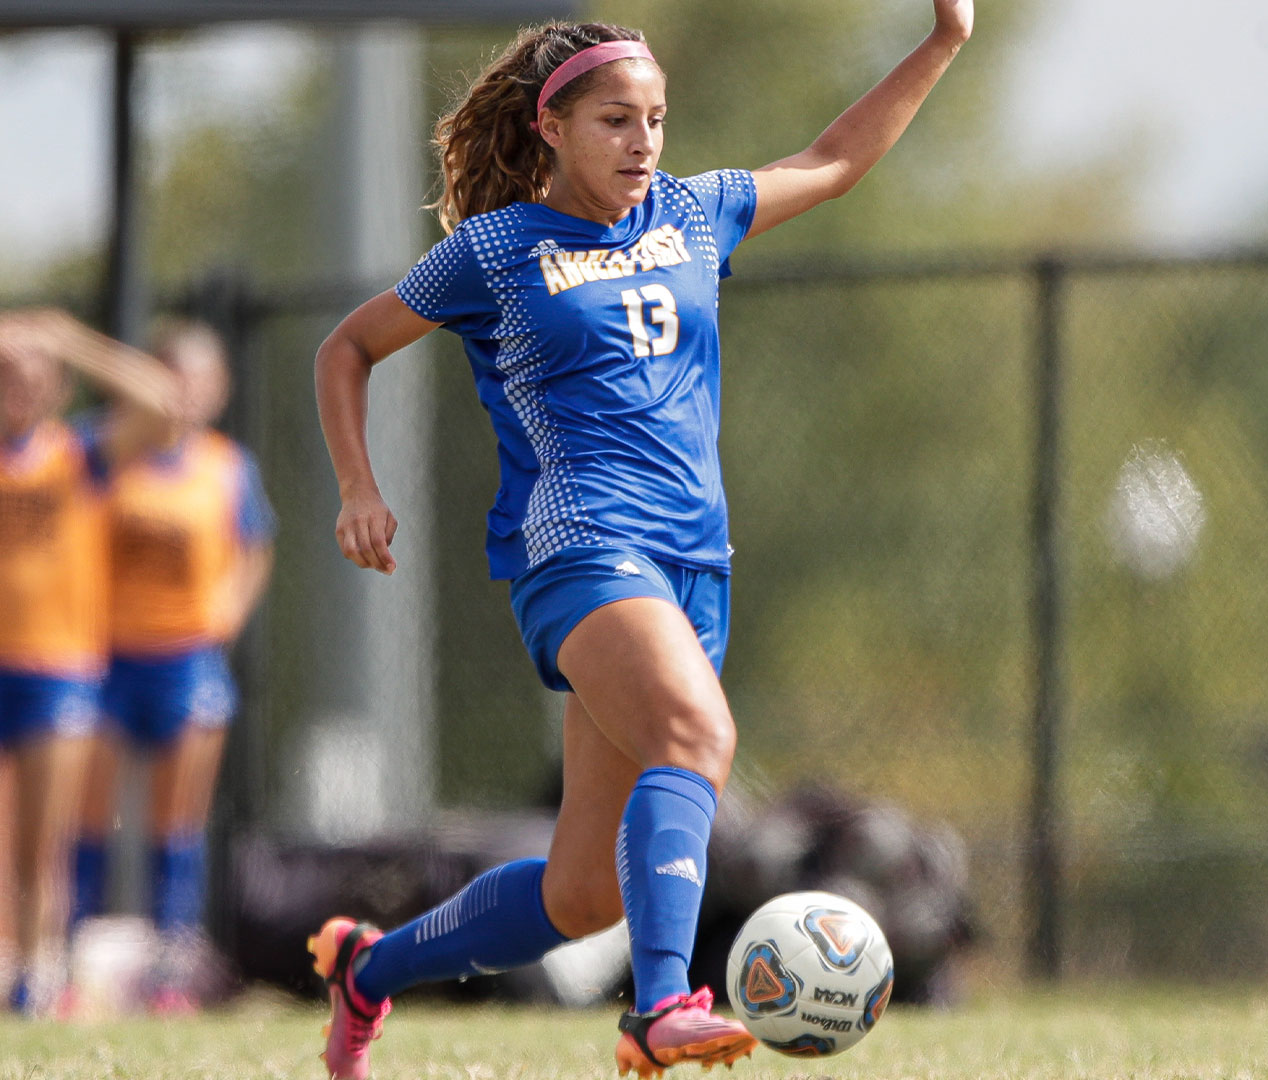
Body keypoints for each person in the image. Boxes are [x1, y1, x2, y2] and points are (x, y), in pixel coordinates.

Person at [308, 6, 972, 1077]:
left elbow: (836, 160)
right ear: (552, 127)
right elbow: (349, 347)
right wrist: (357, 486)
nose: (644, 142)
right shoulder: (498, 248)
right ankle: (660, 1008)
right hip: (578, 550)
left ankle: (369, 971)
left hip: (694, 569)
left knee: (579, 897)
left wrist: (942, 43)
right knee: (700, 740)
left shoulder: (695, 213)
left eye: (656, 120)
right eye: (617, 119)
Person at [67, 319, 274, 1014]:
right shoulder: (109, 451)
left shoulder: (225, 466)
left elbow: (252, 547)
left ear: (219, 389)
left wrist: (225, 615)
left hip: (186, 662)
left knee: (175, 823)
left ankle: (170, 972)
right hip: (107, 658)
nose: (185, 391)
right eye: (173, 374)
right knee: (88, 817)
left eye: (200, 378)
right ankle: (72, 963)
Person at [0, 308, 172, 1016]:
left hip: (58, 668)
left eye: (33, 377)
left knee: (44, 843)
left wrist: (68, 338)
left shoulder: (79, 455)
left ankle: (38, 979)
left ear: (57, 388)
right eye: (7, 375)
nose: (19, 386)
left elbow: (163, 402)